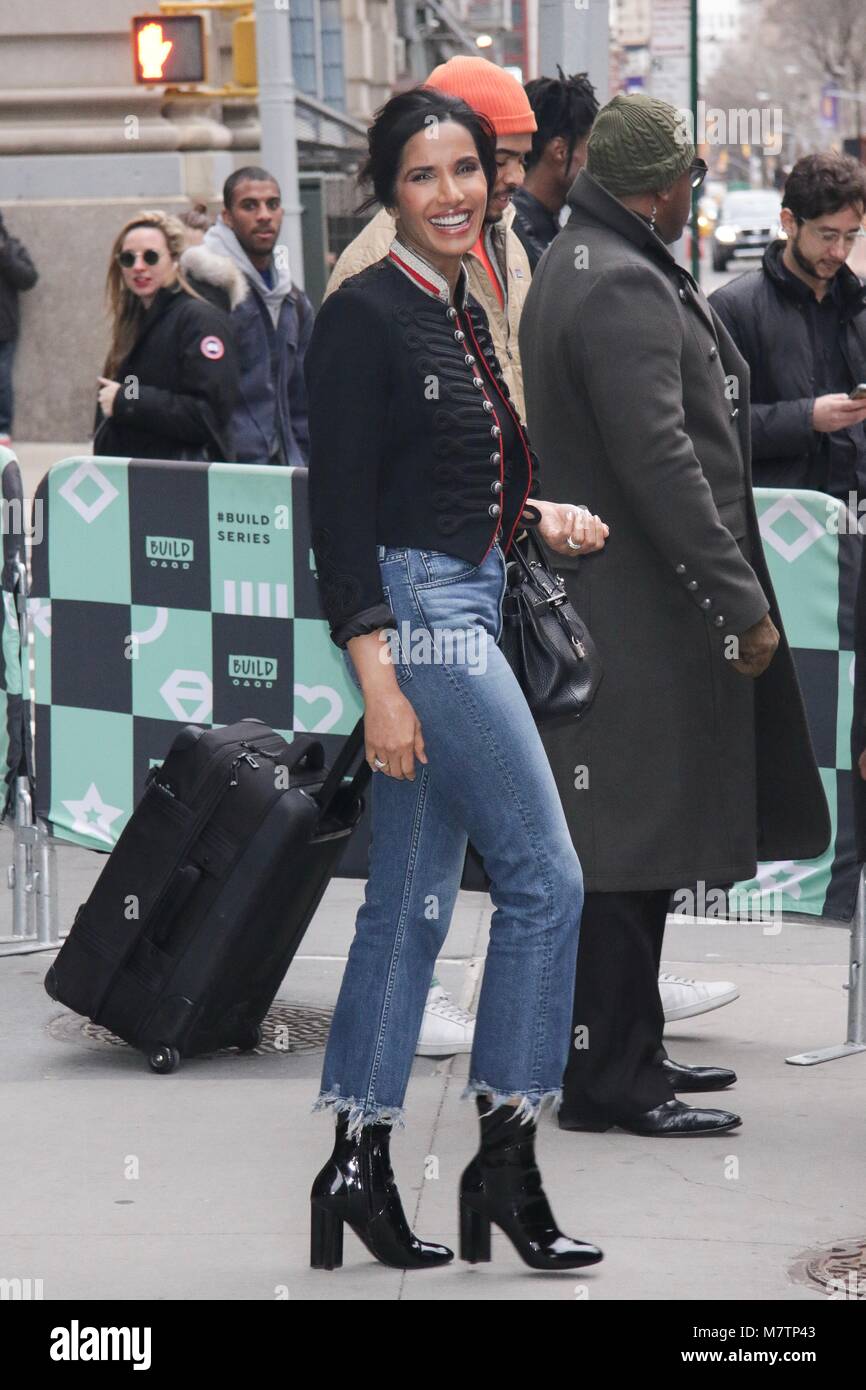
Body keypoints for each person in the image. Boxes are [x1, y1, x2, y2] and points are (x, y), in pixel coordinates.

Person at [306, 86, 609, 1273]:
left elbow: (424, 471)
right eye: (424, 175)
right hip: (420, 624)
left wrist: (533, 513)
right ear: (389, 190)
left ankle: (357, 1161)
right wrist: (377, 677)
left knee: (413, 903)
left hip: (468, 593)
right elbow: (337, 518)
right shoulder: (366, 313)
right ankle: (506, 1153)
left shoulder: (464, 307)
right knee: (545, 880)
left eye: (467, 170)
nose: (451, 194)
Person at [519, 92, 831, 1137]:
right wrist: (738, 599)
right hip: (638, 611)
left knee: (634, 849)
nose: (695, 189)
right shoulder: (614, 281)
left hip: (628, 601)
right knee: (625, 852)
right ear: (656, 185)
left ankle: (628, 1049)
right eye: (688, 176)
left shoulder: (593, 259)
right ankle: (606, 1080)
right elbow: (663, 463)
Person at [325, 56, 534, 418]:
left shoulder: (507, 235)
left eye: (523, 159)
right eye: (501, 160)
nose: (516, 177)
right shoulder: (367, 272)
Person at [709, 152, 866, 503]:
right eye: (827, 235)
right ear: (789, 222)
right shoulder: (732, 308)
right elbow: (717, 428)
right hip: (783, 524)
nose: (839, 252)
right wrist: (807, 418)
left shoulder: (859, 304)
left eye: (851, 236)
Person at [93, 210, 239, 462]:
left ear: (174, 260)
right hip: (137, 478)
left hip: (182, 481)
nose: (138, 267)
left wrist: (126, 401)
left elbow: (208, 415)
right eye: (128, 259)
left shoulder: (200, 319)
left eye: (150, 257)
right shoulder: (134, 321)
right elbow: (136, 387)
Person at [199, 167, 312, 467]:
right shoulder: (205, 292)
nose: (264, 215)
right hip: (224, 474)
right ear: (227, 216)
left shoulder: (293, 300)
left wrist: (304, 458)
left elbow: (304, 397)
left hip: (284, 469)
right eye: (250, 205)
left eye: (272, 205)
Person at [511, 68, 599, 271]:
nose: (596, 163)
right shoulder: (517, 238)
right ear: (560, 151)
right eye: (591, 148)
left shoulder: (527, 226)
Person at [0, 211, 38, 446]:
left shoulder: (11, 248)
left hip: (4, 328)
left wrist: (4, 255)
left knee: (1, 380)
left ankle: (2, 429)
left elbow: (29, 279)